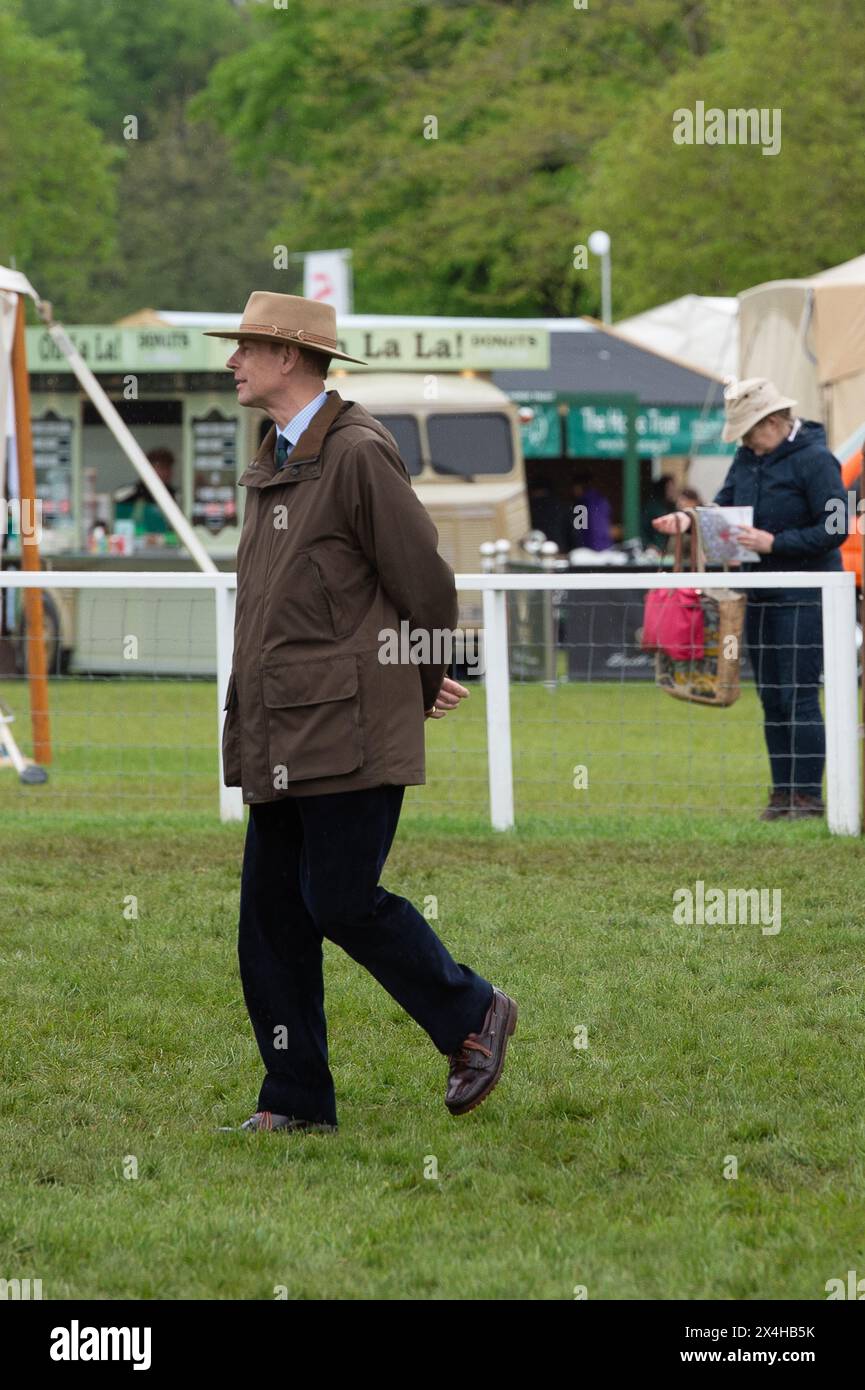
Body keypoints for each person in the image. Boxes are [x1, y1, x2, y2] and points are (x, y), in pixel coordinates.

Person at [207, 291, 517, 1132]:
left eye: (244, 348)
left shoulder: (355, 451)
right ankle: (296, 1101)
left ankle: (471, 1013)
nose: (231, 362)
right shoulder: (277, 453)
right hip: (282, 727)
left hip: (345, 725)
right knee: (270, 923)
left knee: (338, 901)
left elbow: (423, 581)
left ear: (287, 358)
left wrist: (424, 673)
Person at [654, 377, 848, 821]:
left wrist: (773, 543)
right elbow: (722, 507)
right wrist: (688, 520)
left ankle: (807, 797)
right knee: (772, 697)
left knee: (798, 695)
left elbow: (835, 529)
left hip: (805, 595)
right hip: (757, 595)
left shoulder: (819, 462)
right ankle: (782, 793)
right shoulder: (746, 458)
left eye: (751, 431)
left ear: (776, 422)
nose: (745, 441)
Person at [113, 447, 178, 536]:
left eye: (168, 468)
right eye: (161, 468)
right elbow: (117, 497)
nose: (166, 472)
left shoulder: (174, 495)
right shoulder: (133, 492)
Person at [566, 474, 613, 551]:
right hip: (606, 549)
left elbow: (577, 532)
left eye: (574, 488)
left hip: (589, 551)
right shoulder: (602, 500)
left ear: (578, 487)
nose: (572, 491)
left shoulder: (582, 503)